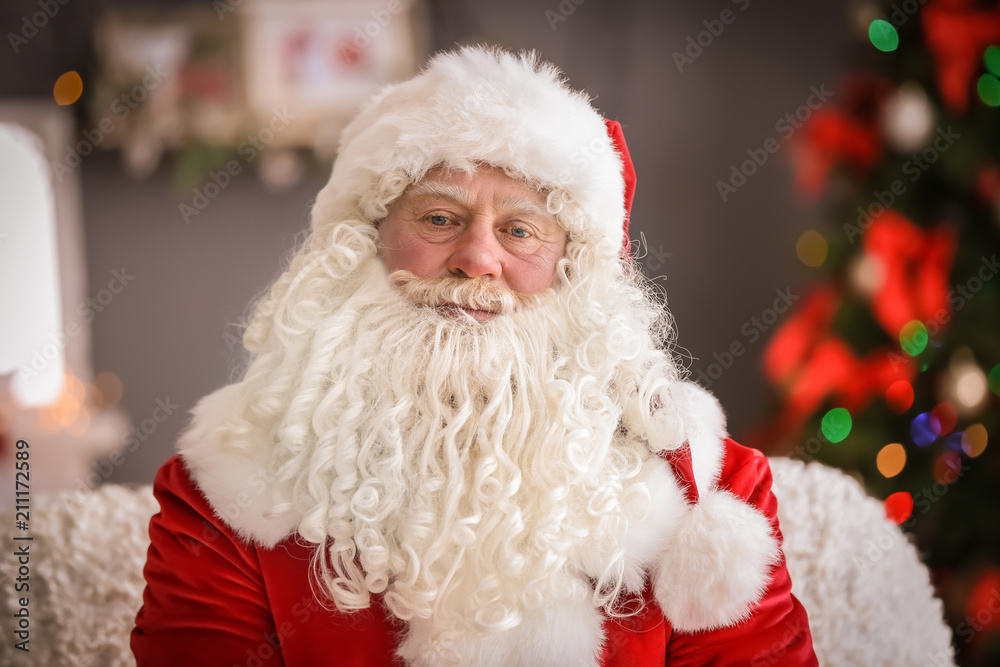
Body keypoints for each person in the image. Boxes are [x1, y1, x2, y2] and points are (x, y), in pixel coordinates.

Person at [131, 46, 818, 666]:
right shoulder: (225, 491)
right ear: (367, 241)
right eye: (439, 218)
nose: (477, 258)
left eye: (520, 230)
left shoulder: (705, 485)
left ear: (572, 269)